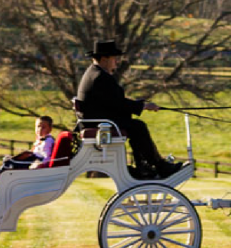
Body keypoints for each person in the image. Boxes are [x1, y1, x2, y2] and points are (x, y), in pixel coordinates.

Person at [76, 40, 181, 180]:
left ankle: (145, 167)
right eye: (114, 59)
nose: (116, 62)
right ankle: (158, 166)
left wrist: (139, 104)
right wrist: (144, 106)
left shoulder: (93, 73)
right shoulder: (100, 77)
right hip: (101, 123)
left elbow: (112, 102)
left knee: (135, 126)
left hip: (100, 119)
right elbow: (117, 103)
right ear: (104, 59)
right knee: (138, 127)